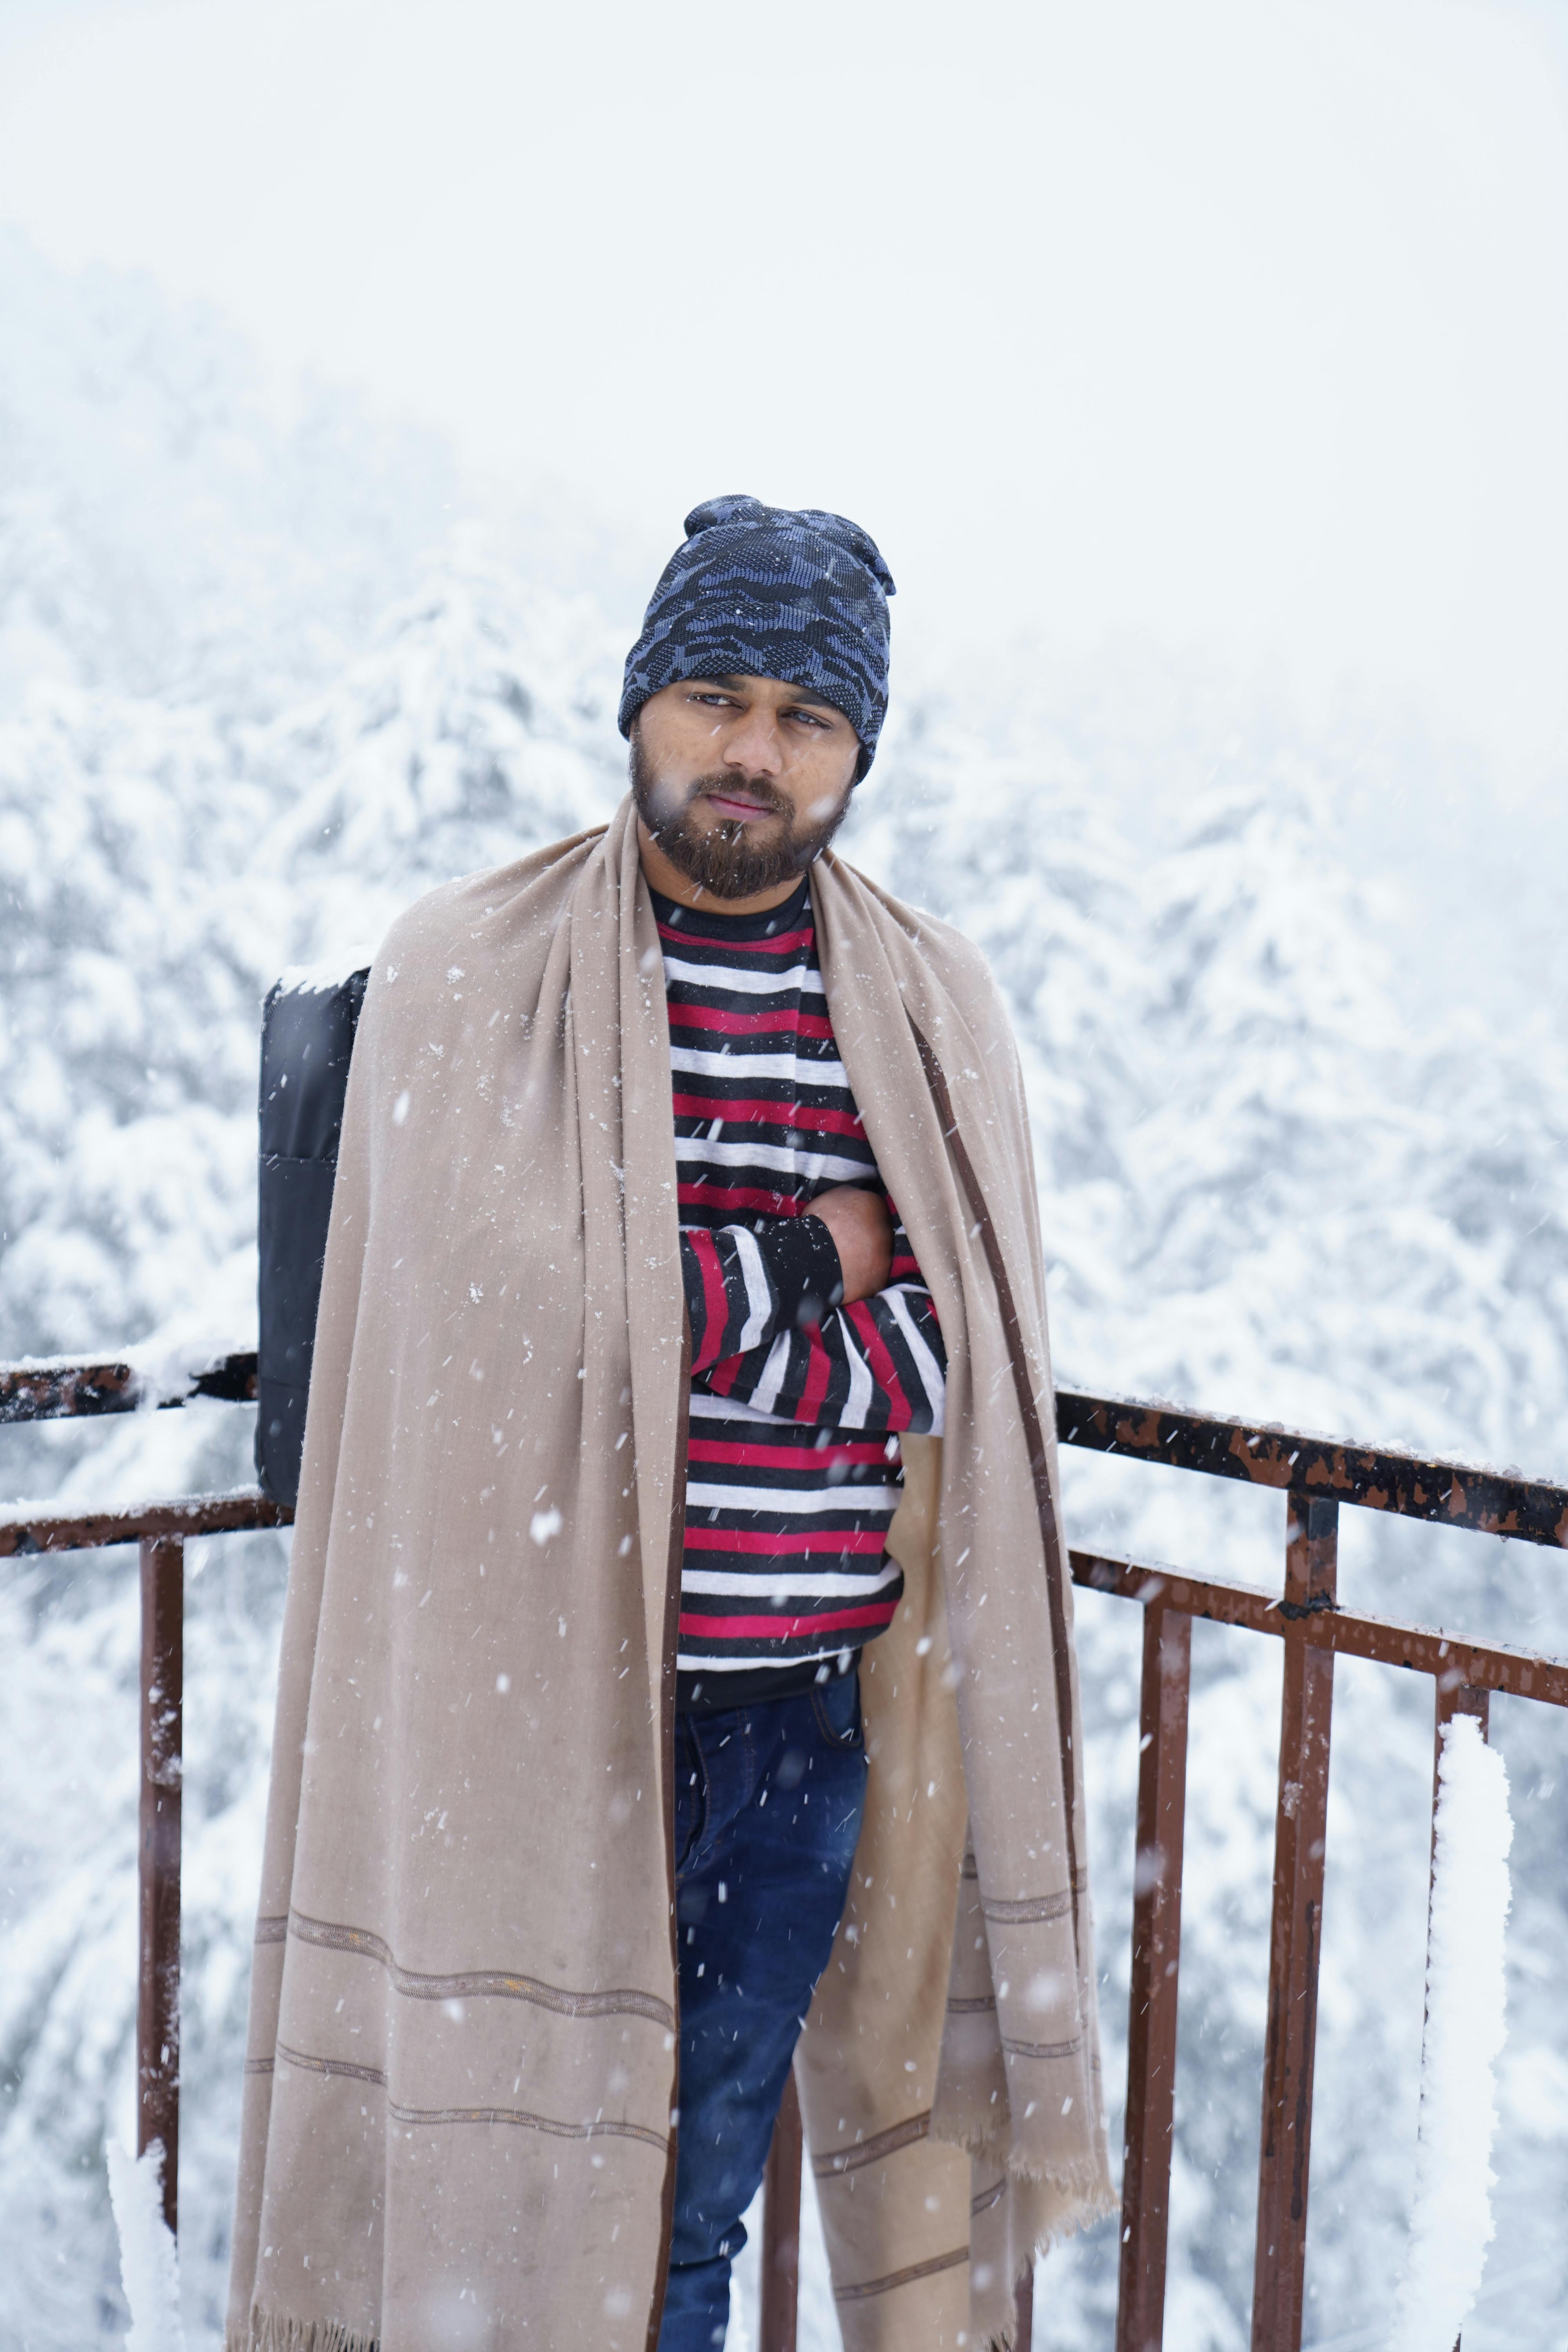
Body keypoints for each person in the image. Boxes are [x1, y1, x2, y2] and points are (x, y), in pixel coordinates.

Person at [228, 497, 1113, 2352]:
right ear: (639, 708)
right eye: (713, 695)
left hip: (792, 1728)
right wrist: (818, 1253)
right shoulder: (474, 972)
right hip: (527, 1718)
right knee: (478, 2220)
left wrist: (703, 1317)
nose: (749, 752)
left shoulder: (930, 1009)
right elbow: (500, 1343)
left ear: (858, 751)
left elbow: (962, 1370)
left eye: (804, 716)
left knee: (676, 2235)